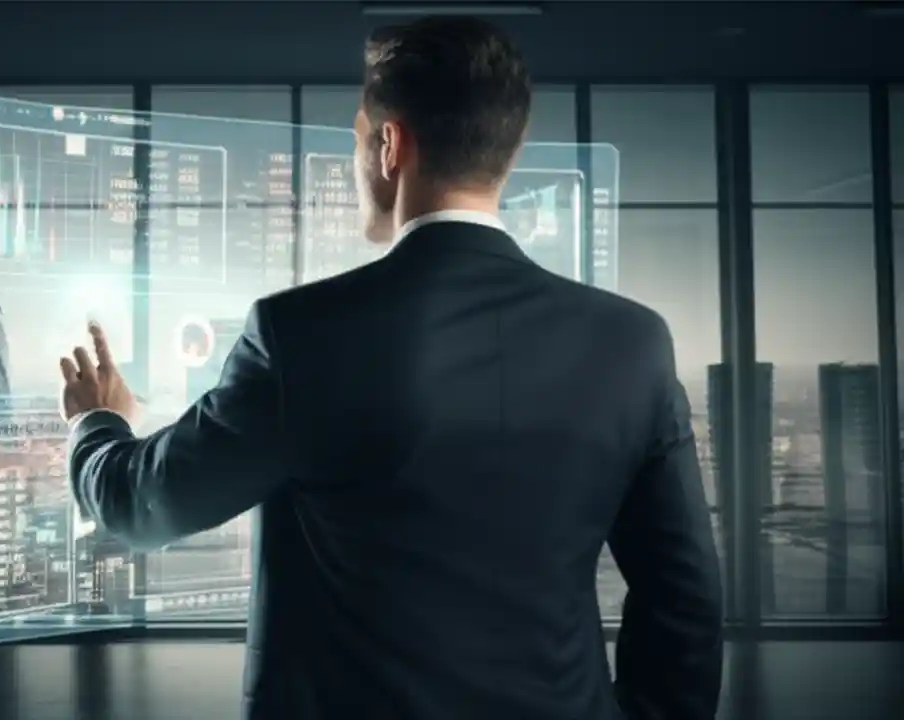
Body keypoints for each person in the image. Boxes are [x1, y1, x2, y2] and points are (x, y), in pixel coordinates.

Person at [58, 16, 723, 720]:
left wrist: (97, 420)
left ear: (389, 146)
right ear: (508, 148)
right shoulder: (631, 343)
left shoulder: (299, 334)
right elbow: (684, 599)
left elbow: (145, 505)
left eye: (355, 139)